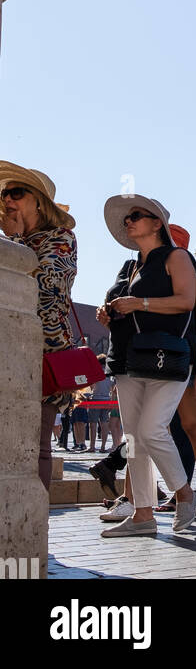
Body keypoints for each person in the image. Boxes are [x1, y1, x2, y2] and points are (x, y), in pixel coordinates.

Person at [98, 194, 196, 537]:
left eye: (136, 216)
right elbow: (125, 308)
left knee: (152, 430)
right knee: (134, 439)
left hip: (166, 356)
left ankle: (184, 492)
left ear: (157, 223)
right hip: (127, 356)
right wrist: (109, 313)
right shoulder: (131, 266)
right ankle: (143, 514)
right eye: (127, 218)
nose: (129, 221)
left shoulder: (177, 256)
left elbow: (187, 302)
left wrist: (138, 303)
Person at [0, 162, 78, 492]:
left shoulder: (60, 238)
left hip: (43, 351)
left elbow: (47, 288)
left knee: (36, 446)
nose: (7, 200)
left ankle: (34, 530)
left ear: (38, 201)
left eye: (16, 192)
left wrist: (15, 241)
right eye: (4, 194)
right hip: (8, 347)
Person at [154, 224, 196, 513]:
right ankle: (179, 490)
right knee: (161, 429)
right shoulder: (150, 275)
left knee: (191, 424)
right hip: (154, 360)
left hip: (185, 359)